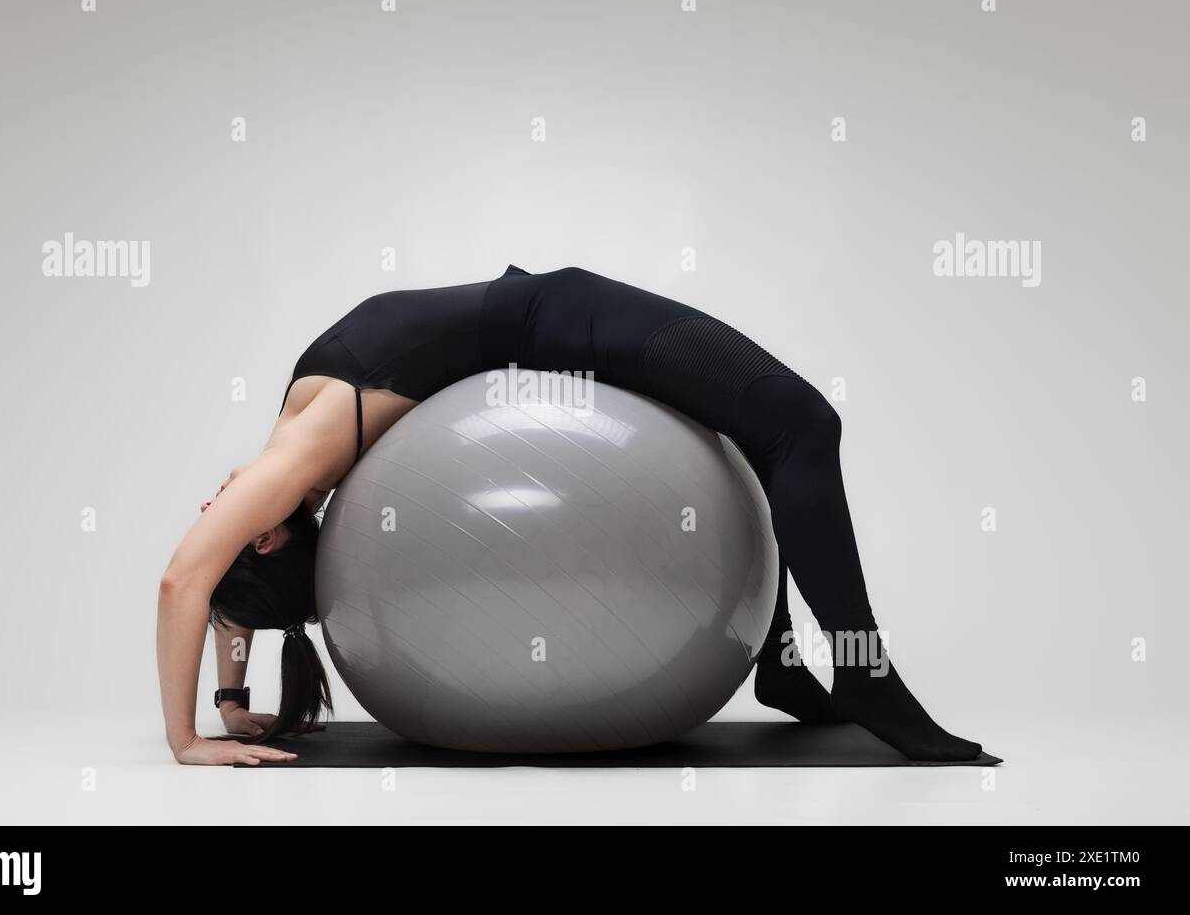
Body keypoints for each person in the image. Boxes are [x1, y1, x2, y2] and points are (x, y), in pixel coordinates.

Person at [157, 265, 981, 765]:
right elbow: (188, 583)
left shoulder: (279, 471)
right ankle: (864, 677)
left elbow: (220, 585)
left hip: (544, 318)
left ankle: (784, 662)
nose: (209, 513)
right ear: (264, 534)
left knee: (770, 429)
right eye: (226, 519)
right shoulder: (286, 470)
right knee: (801, 423)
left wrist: (226, 705)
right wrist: (191, 736)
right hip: (556, 318)